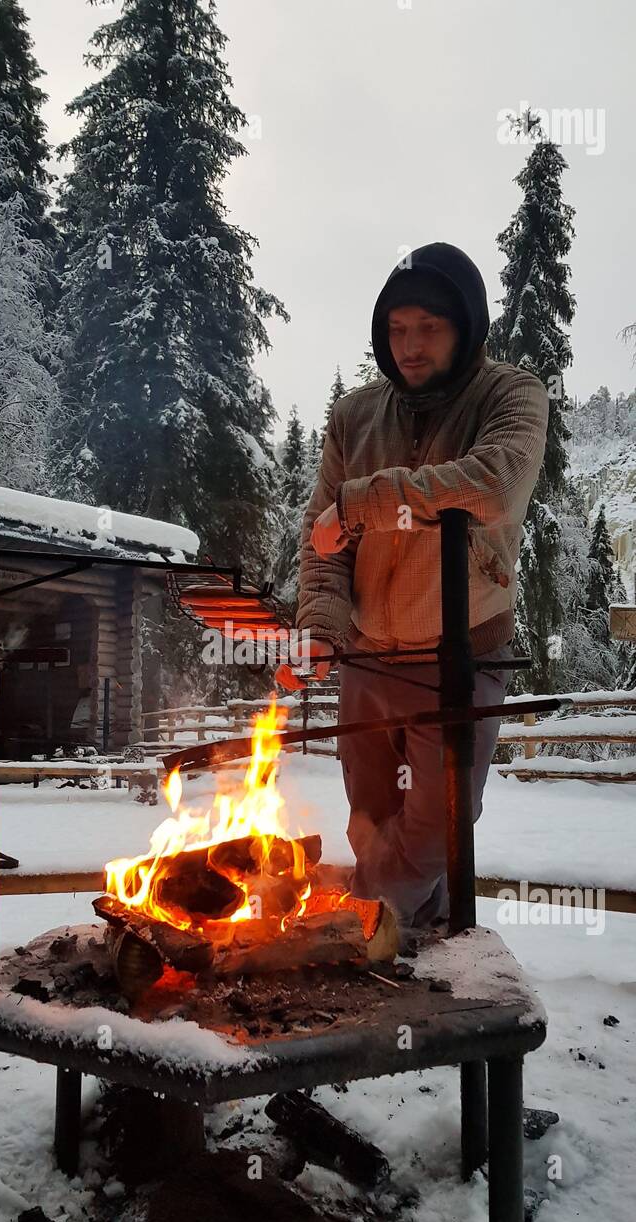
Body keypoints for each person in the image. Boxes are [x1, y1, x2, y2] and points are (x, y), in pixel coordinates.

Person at [276, 242, 549, 959]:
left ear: (466, 327)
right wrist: (323, 631)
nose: (411, 346)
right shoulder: (355, 415)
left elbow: (491, 487)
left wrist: (366, 501)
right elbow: (322, 543)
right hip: (369, 660)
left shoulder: (511, 396)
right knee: (367, 818)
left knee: (435, 826)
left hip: (459, 653)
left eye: (429, 327)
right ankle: (411, 955)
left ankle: (354, 935)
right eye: (397, 330)